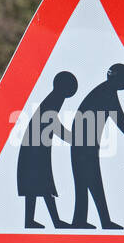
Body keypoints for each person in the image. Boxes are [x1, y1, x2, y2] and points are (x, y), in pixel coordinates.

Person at [69, 63, 124, 229]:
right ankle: (101, 222)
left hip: (82, 146)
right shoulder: (107, 94)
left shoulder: (102, 91)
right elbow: (123, 124)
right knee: (93, 183)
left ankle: (83, 220)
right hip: (85, 147)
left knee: (87, 184)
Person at [16, 70, 78, 228]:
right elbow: (52, 122)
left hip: (36, 149)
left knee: (39, 186)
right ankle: (51, 222)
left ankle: (35, 221)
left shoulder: (55, 97)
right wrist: (74, 139)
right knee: (42, 185)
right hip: (35, 151)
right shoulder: (55, 99)